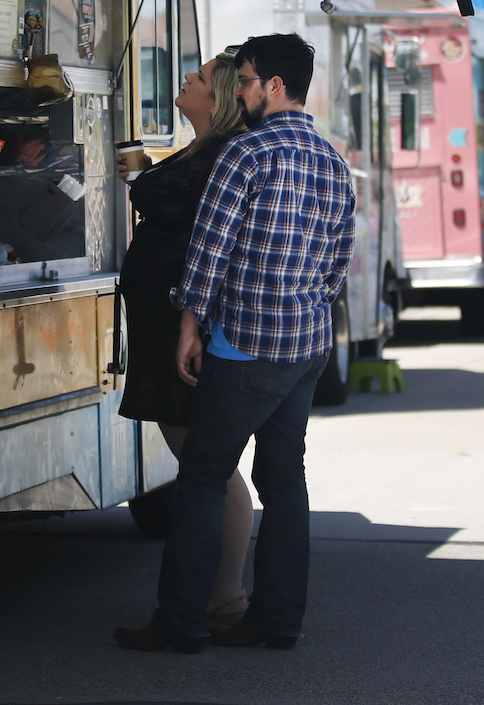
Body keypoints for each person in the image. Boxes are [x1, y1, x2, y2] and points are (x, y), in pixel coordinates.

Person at [114, 33, 355, 654]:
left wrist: (189, 324)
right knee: (284, 481)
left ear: (274, 86)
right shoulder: (332, 161)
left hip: (244, 343)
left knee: (202, 478)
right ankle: (277, 621)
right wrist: (305, 308)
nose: (239, 90)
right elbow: (338, 263)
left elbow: (209, 250)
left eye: (245, 80)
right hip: (306, 346)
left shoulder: (246, 154)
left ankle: (181, 621)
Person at [115, 55, 253, 627]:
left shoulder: (223, 155)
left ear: (216, 99)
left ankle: (224, 596)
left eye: (196, 79)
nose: (185, 81)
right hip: (166, 329)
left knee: (208, 467)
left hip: (187, 332)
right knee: (200, 463)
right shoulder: (201, 149)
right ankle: (216, 595)